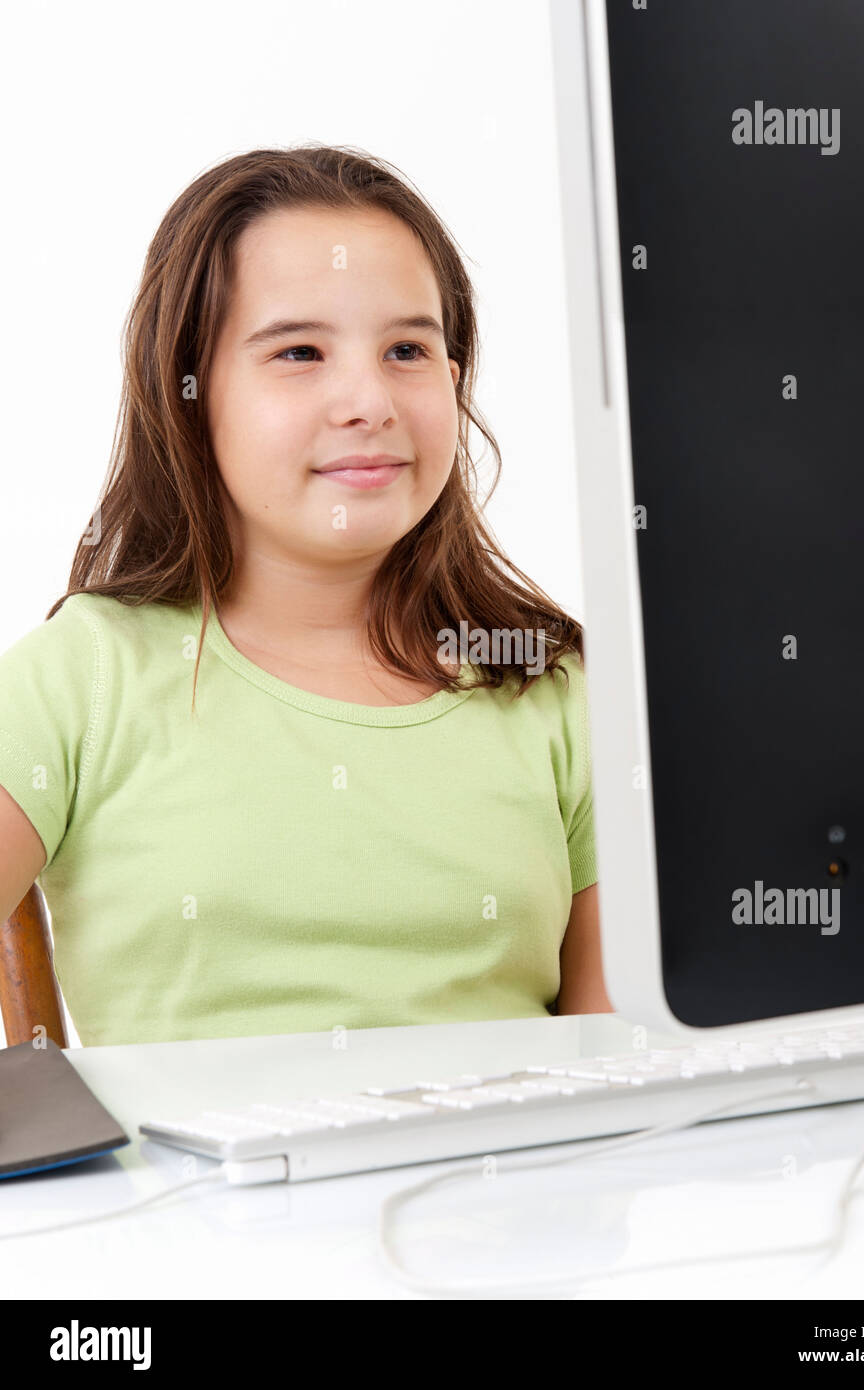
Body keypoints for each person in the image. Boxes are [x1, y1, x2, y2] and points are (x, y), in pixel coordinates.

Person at [0, 145, 612, 1046]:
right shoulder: (85, 676)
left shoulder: (555, 689)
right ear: (188, 393)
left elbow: (623, 1063)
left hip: (511, 1184)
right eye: (298, 351)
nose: (368, 399)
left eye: (407, 348)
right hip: (194, 1192)